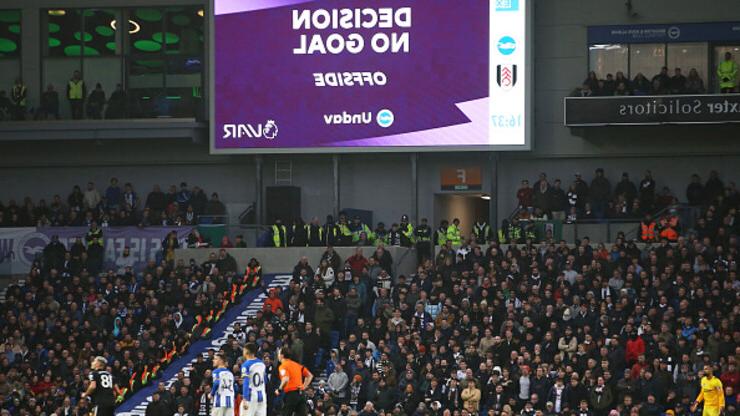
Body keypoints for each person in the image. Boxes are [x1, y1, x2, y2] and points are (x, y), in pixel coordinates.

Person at [276, 347, 313, 416]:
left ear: (282, 355)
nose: (278, 355)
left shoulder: (283, 366)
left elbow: (285, 379)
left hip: (291, 394)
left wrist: (279, 389)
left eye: (278, 354)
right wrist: (304, 386)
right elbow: (310, 375)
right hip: (301, 393)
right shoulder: (297, 365)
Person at [241, 343, 267, 416]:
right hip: (262, 395)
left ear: (247, 351)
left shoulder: (246, 365)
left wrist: (245, 398)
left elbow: (246, 382)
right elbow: (265, 380)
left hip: (251, 395)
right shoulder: (262, 363)